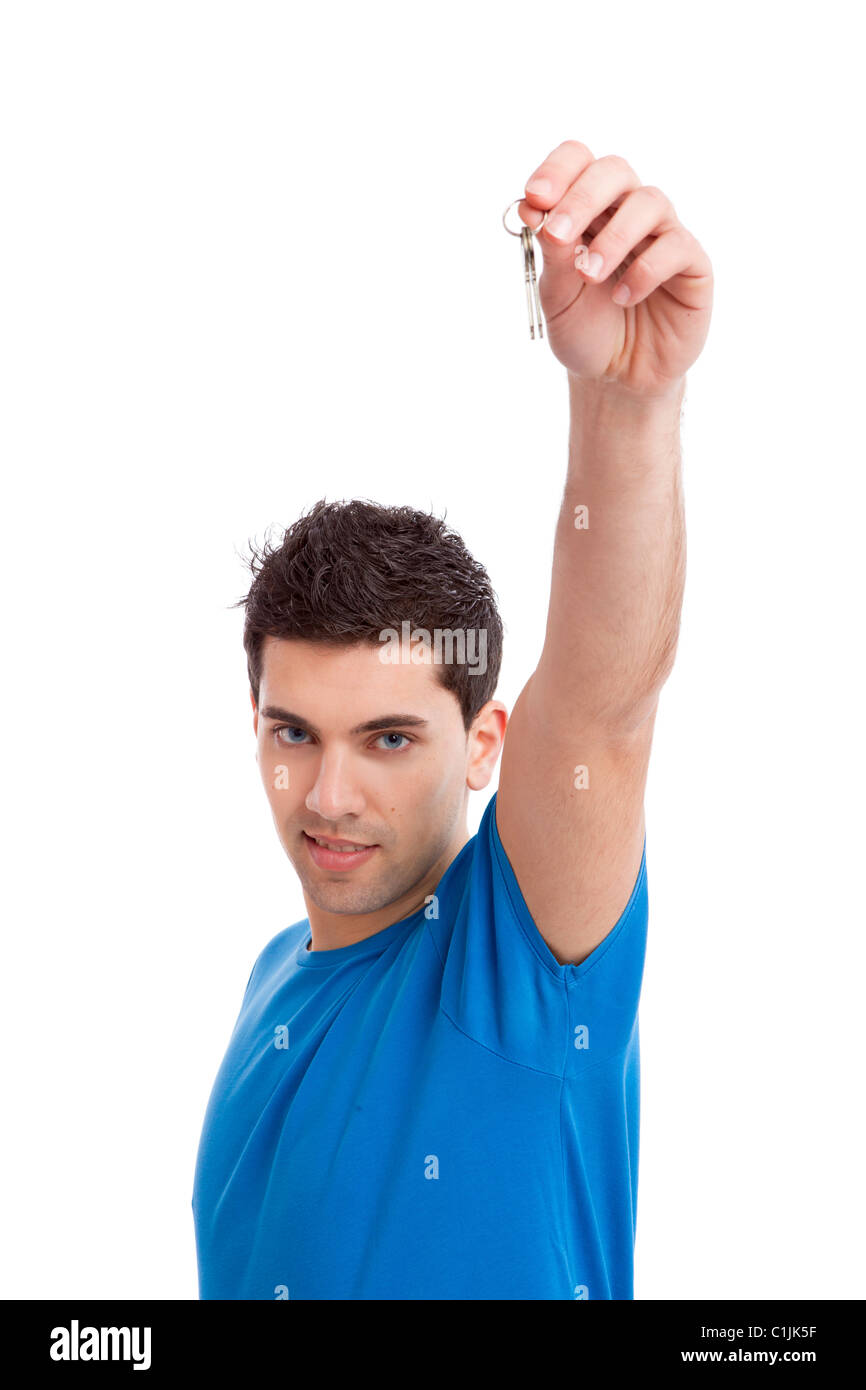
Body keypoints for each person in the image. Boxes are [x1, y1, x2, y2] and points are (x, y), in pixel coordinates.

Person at [191, 138, 714, 1300]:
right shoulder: (274, 976)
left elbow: (605, 708)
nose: (329, 797)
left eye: (388, 738)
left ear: (483, 744)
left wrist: (624, 402)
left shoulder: (513, 958)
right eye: (294, 733)